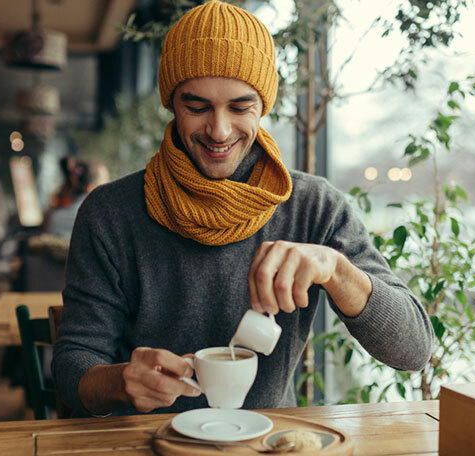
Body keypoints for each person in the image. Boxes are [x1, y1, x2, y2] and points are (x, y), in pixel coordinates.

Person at [53, 0, 433, 418]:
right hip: (145, 443)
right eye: (197, 107)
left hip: (270, 443)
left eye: (240, 107)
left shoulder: (313, 207)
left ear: (264, 105)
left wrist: (337, 268)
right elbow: (74, 365)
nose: (219, 130)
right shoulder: (111, 213)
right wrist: (118, 381)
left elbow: (413, 349)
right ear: (171, 102)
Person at [42, 160, 110, 240]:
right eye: (105, 183)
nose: (108, 190)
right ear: (91, 188)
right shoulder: (98, 219)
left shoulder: (53, 216)